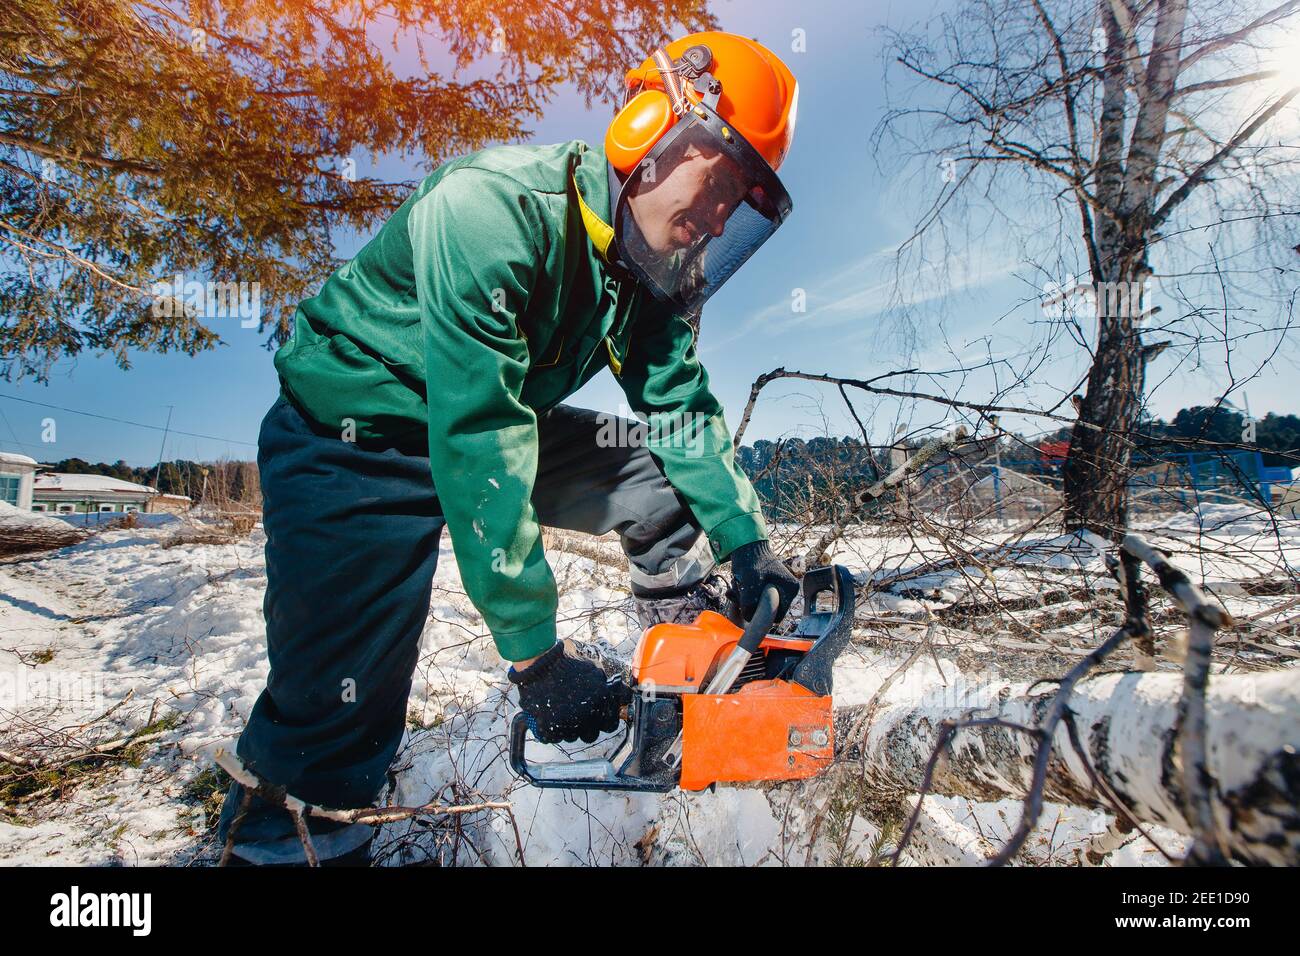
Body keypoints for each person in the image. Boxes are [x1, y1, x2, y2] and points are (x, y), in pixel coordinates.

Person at [217, 31, 802, 865]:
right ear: (652, 128)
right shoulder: (491, 207)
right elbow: (480, 434)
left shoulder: (643, 272)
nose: (714, 220)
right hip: (354, 432)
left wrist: (748, 544)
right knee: (340, 706)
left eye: (737, 205)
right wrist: (536, 658)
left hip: (481, 421)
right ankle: (281, 842)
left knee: (657, 480)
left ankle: (685, 686)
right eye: (718, 184)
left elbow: (679, 408)